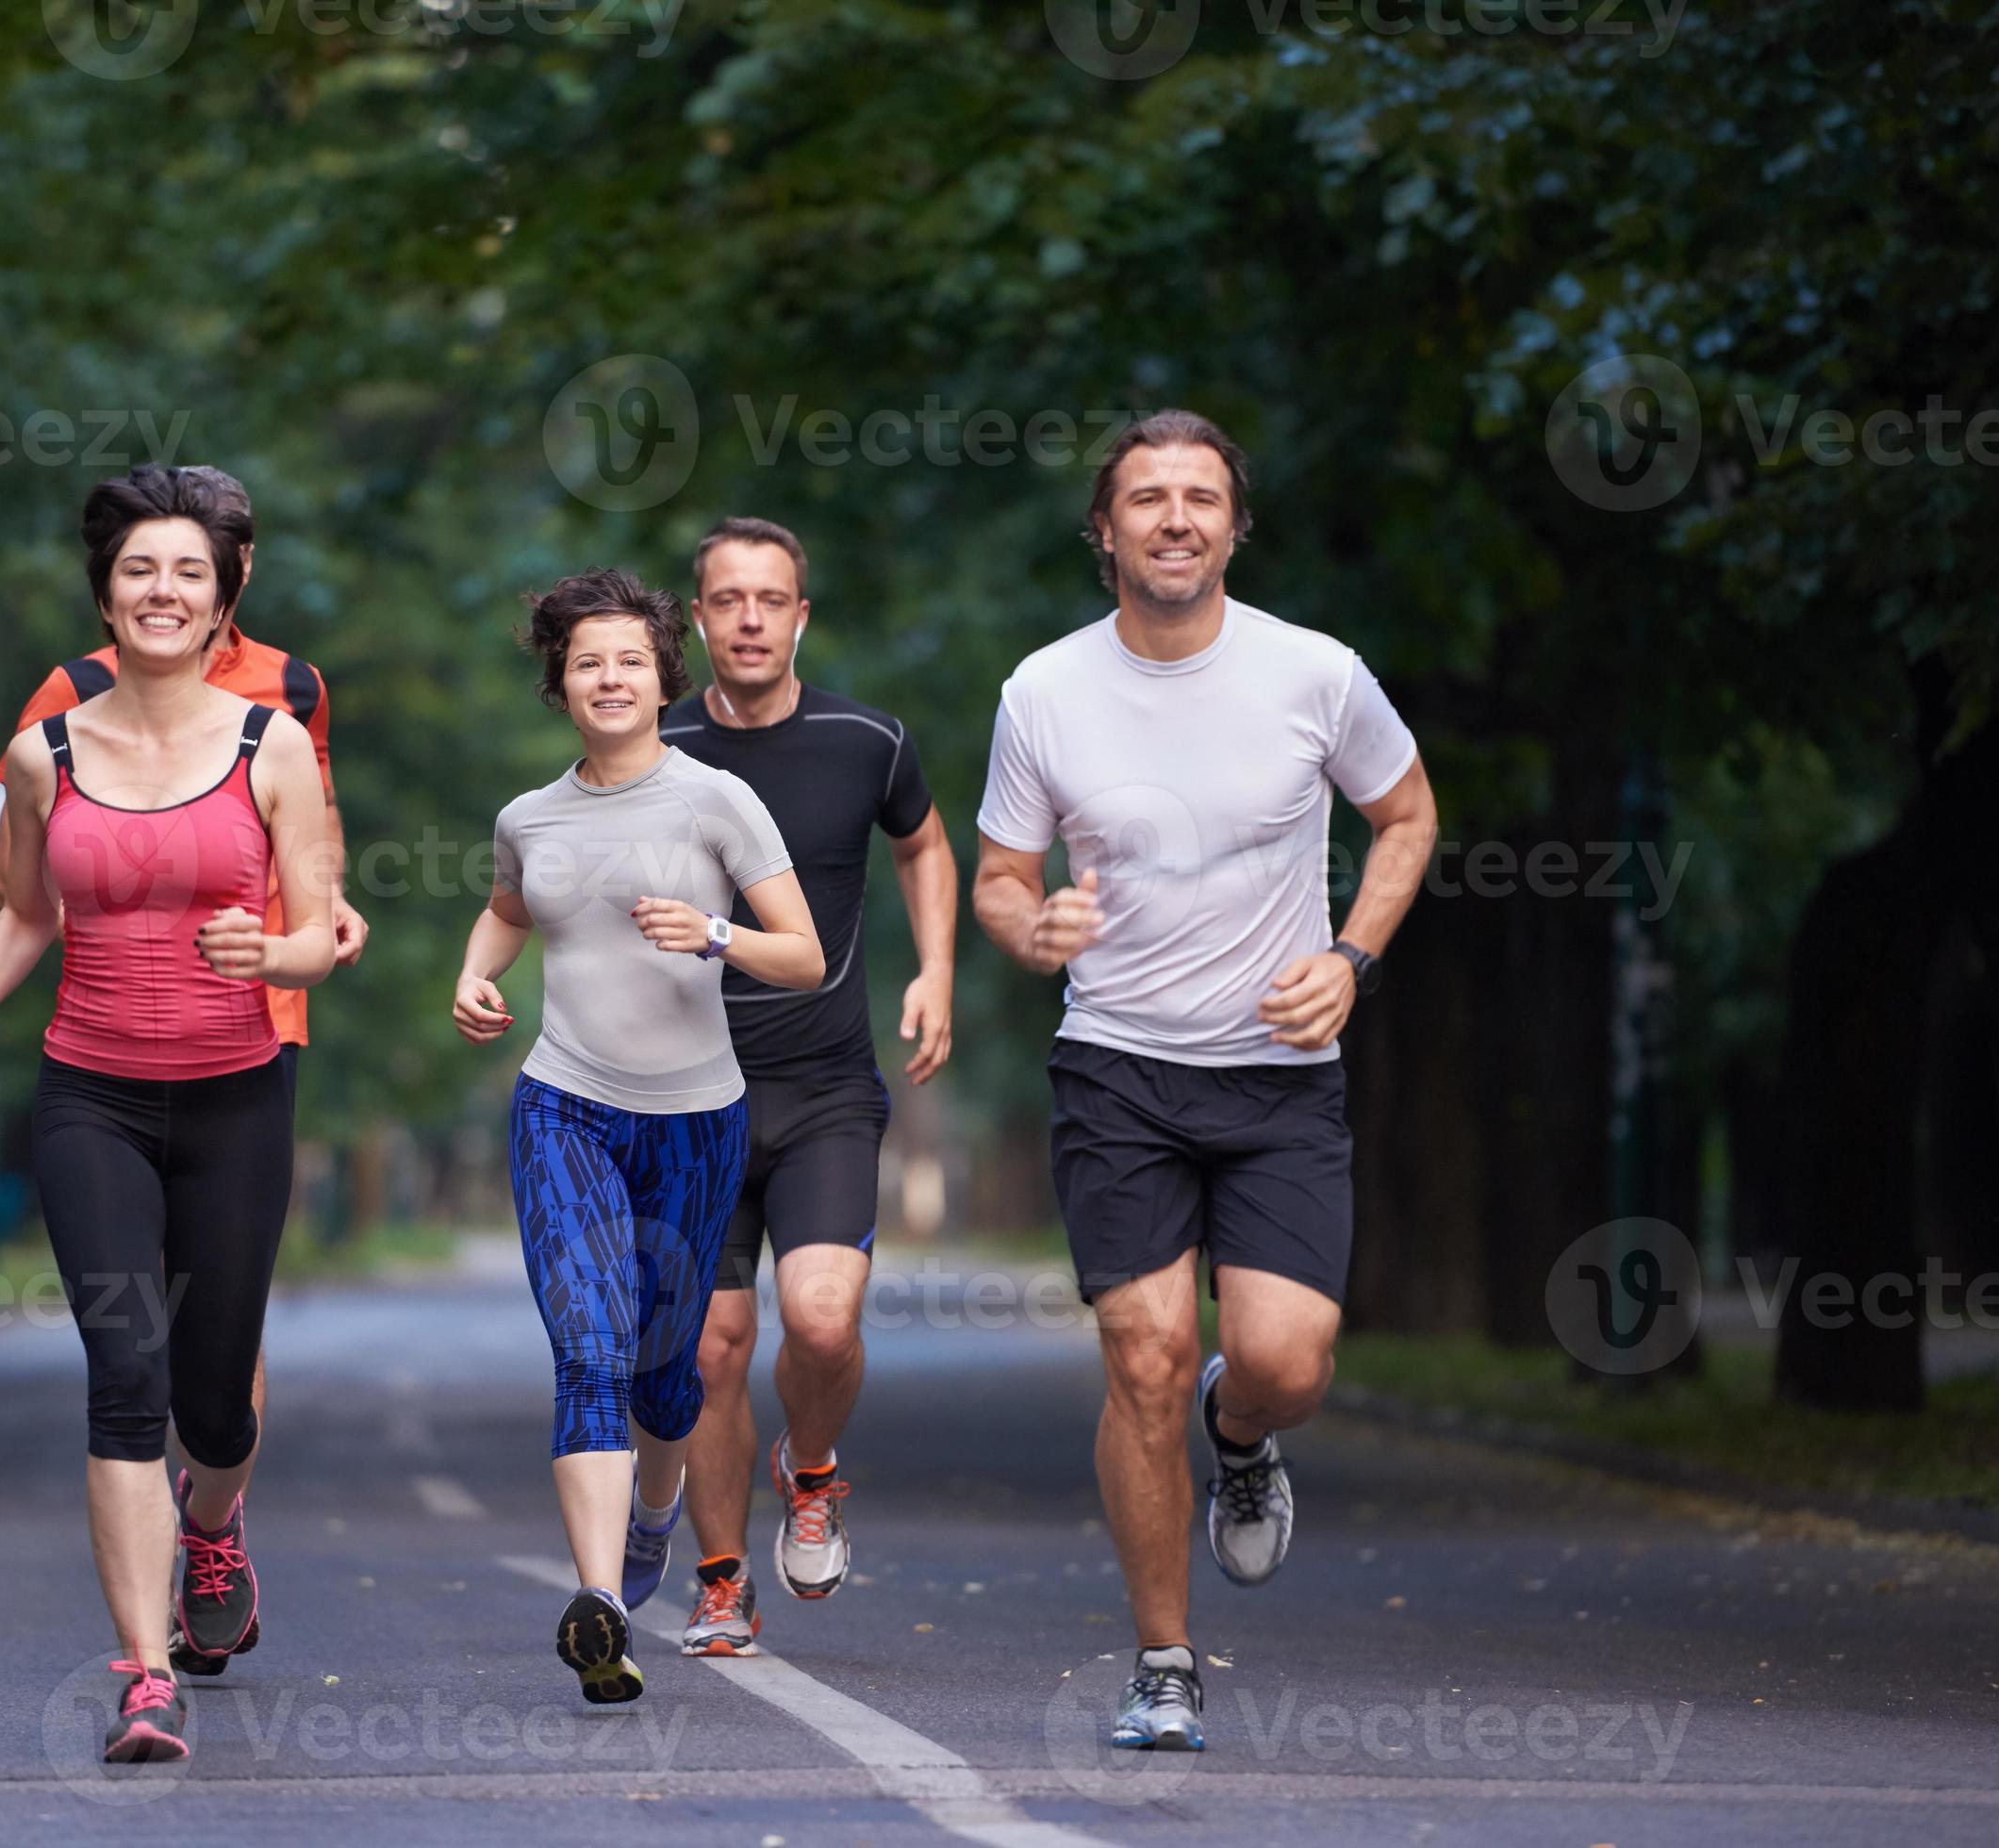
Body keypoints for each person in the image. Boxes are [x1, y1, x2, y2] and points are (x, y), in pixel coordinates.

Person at [970, 412, 1439, 1752]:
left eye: (1200, 499)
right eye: (1146, 499)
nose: (1174, 519)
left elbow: (1405, 817)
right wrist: (1028, 925)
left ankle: (1248, 1440)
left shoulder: (1316, 674)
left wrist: (1352, 956)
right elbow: (1004, 880)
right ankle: (1164, 1661)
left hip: (1281, 1073)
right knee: (1145, 1355)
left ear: (1234, 526)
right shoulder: (1042, 692)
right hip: (1117, 1067)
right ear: (1102, 530)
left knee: (1283, 1363)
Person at [0, 466, 339, 1762]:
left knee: (215, 1404)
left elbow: (321, 928)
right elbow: (26, 911)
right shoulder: (45, 753)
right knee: (125, 1375)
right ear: (107, 592)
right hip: (89, 1093)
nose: (163, 591)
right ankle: (145, 1673)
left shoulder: (278, 747)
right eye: (140, 570)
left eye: (189, 574)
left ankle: (214, 1525)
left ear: (223, 604)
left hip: (235, 1098)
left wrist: (277, 959)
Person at [454, 568, 824, 1703]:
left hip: (697, 1121)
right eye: (584, 662)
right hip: (565, 1106)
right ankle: (602, 1599)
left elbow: (804, 955)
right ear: (558, 686)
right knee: (590, 1350)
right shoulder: (529, 817)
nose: (607, 678)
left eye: (627, 659)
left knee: (668, 1384)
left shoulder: (714, 800)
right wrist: (474, 975)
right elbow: (511, 909)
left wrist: (716, 931)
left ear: (664, 674)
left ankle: (655, 1519)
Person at [655, 517, 957, 1657]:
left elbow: (925, 845)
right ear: (696, 617)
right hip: (688, 1095)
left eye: (768, 599)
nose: (746, 618)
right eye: (725, 599)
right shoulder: (654, 747)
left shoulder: (865, 739)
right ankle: (724, 1580)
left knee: (822, 1324)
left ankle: (813, 1467)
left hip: (825, 1084)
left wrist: (934, 969)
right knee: (711, 1348)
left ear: (799, 616)